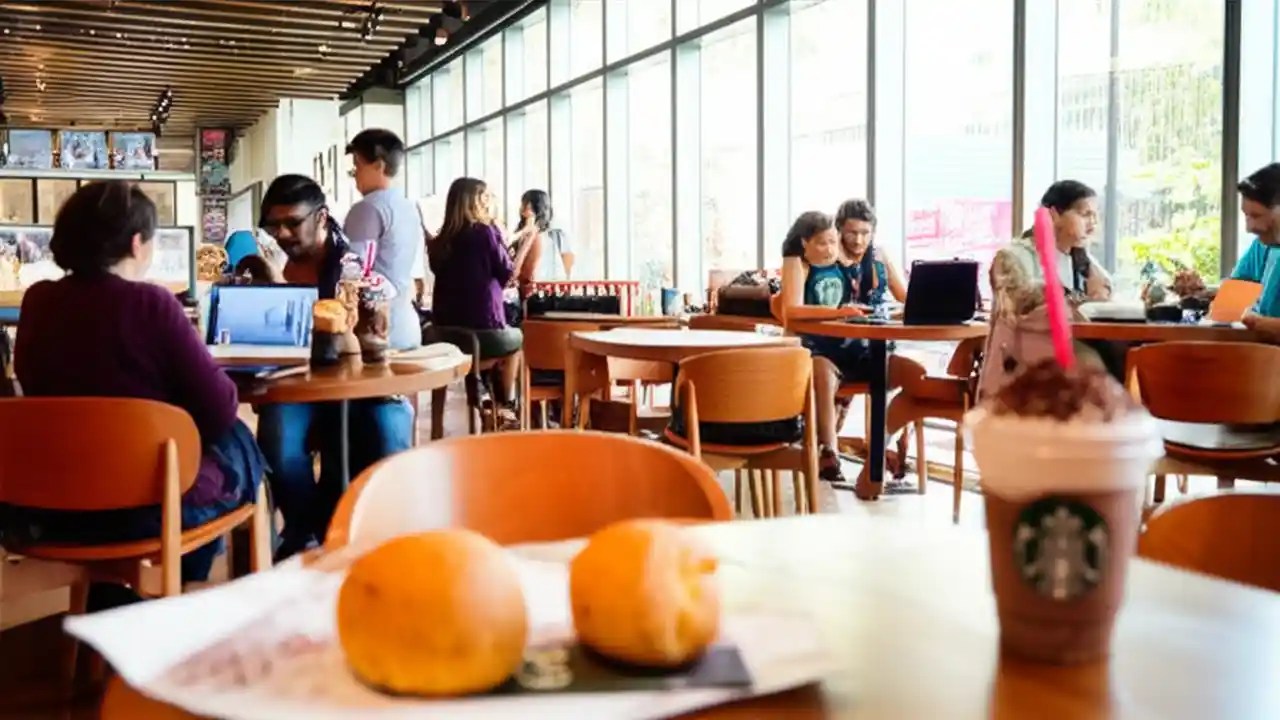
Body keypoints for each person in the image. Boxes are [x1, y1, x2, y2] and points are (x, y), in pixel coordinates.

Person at [6, 181, 266, 605]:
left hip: (50, 508)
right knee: (236, 438)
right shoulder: (152, 304)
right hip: (143, 511)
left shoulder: (38, 302)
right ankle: (177, 595)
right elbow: (219, 410)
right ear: (137, 243)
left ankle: (115, 592)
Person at [255, 174, 413, 559]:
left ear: (322, 218)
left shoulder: (352, 271)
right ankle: (309, 529)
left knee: (391, 428)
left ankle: (375, 533)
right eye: (273, 225)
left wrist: (373, 326)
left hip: (355, 387)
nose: (282, 233)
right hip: (295, 386)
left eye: (293, 223)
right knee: (278, 443)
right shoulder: (273, 266)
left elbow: (373, 344)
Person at [981, 180, 1113, 397]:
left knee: (1133, 356)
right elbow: (1025, 305)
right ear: (1053, 215)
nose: (1093, 222)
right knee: (1095, 366)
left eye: (1095, 215)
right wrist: (1077, 301)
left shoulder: (1083, 261)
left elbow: (1105, 299)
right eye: (1084, 214)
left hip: (1070, 350)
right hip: (1026, 364)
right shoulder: (1014, 257)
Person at [776, 211, 866, 487]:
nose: (829, 249)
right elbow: (791, 310)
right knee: (823, 373)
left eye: (832, 241)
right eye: (821, 243)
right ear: (804, 243)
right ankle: (829, 451)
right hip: (812, 346)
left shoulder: (840, 263)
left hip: (842, 343)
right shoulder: (796, 263)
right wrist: (837, 312)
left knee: (887, 363)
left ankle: (883, 454)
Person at [427, 178, 530, 416]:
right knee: (518, 339)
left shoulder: (440, 240)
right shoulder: (486, 232)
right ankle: (507, 403)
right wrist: (514, 239)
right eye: (486, 197)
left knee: (477, 336)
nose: (490, 202)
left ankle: (479, 394)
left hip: (444, 334)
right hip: (484, 335)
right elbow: (507, 274)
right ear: (474, 202)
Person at [343, 128, 423, 352]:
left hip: (376, 329)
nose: (355, 174)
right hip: (406, 323)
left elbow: (355, 272)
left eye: (358, 165)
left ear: (379, 165)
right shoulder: (409, 207)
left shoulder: (367, 208)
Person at [1233, 162, 1280, 337]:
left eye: (1257, 216)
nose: (1249, 228)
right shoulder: (1264, 245)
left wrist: (1262, 324)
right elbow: (1237, 289)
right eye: (1246, 215)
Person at [835, 199, 907, 305]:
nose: (858, 241)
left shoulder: (879, 255)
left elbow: (904, 299)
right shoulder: (830, 258)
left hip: (877, 319)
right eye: (852, 233)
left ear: (873, 232)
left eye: (865, 233)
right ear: (839, 231)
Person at [510, 189, 573, 291]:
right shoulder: (525, 233)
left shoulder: (543, 235)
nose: (521, 207)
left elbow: (568, 267)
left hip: (540, 290)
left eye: (525, 203)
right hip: (545, 289)